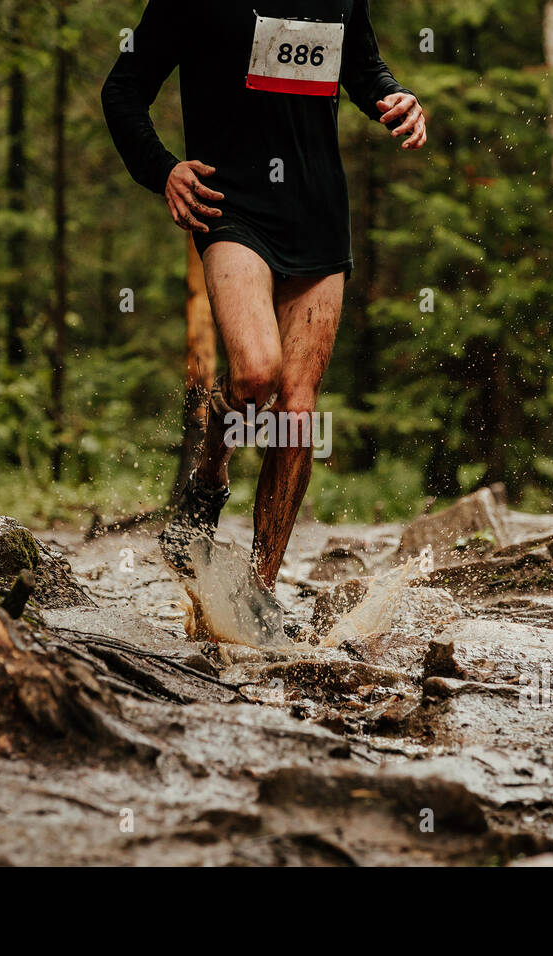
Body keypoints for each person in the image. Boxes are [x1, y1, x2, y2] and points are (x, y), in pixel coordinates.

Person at [102, 0, 426, 601]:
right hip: (231, 206)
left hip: (318, 210)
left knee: (297, 412)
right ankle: (208, 475)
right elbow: (123, 91)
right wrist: (162, 169)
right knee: (255, 375)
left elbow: (363, 69)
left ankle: (258, 592)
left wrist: (395, 97)